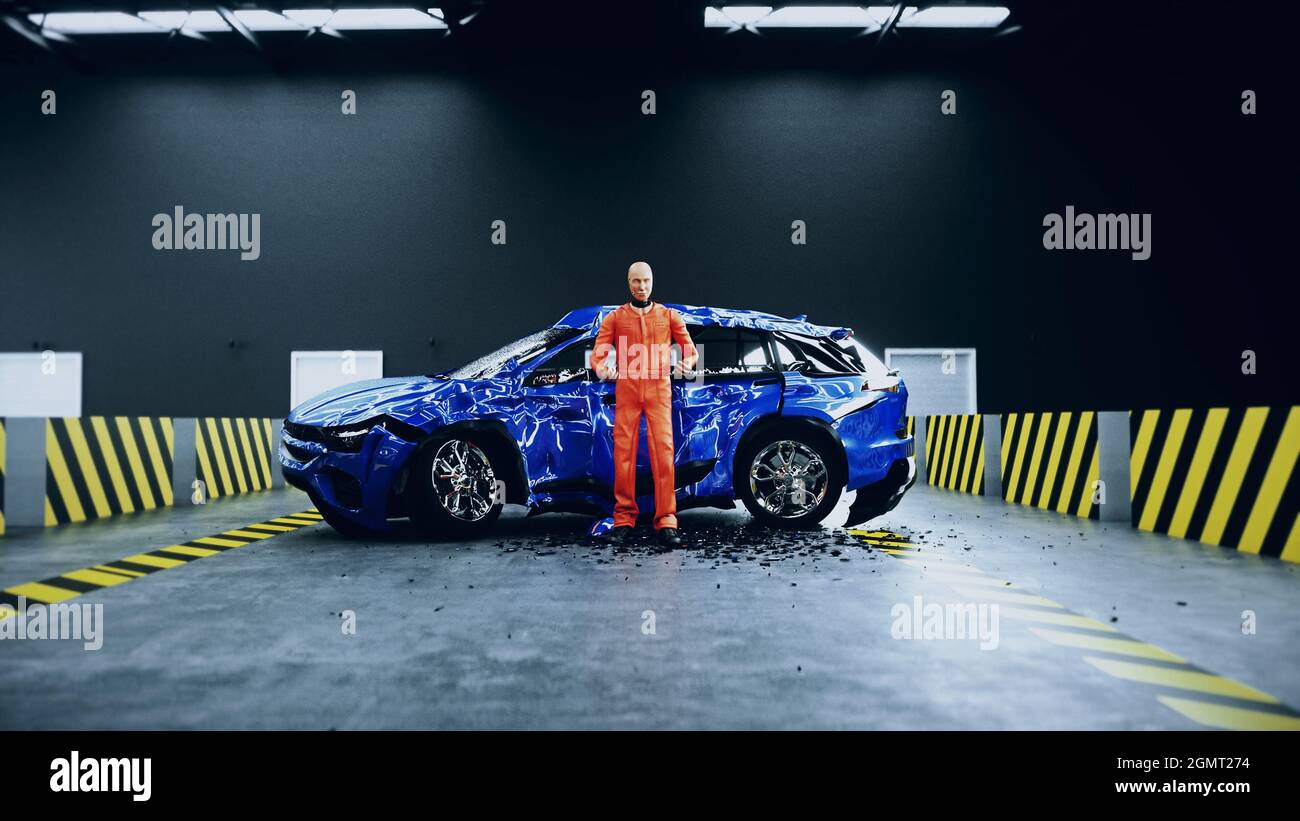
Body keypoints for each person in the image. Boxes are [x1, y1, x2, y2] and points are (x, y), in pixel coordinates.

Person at [592, 261, 697, 547]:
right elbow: (598, 354)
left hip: (658, 389)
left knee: (663, 456)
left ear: (653, 282)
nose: (642, 287)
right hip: (628, 388)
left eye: (646, 281)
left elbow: (689, 350)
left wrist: (686, 364)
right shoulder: (614, 318)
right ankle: (624, 518)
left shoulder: (669, 315)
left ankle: (666, 521)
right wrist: (603, 369)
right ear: (629, 283)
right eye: (636, 281)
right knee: (623, 457)